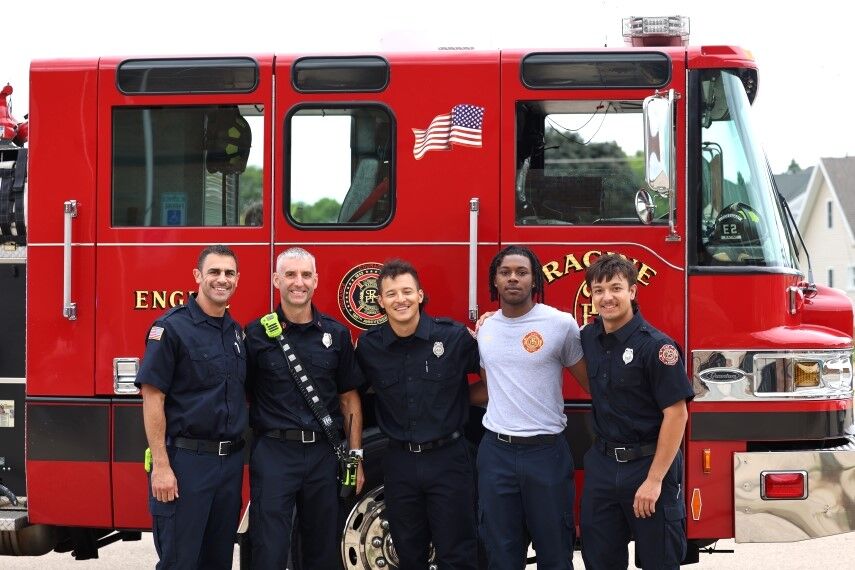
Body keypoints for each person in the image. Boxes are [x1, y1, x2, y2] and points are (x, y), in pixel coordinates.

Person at [355, 259, 480, 570]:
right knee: (408, 554)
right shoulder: (369, 347)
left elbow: (496, 379)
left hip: (449, 460)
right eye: (391, 294)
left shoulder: (453, 337)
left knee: (458, 554)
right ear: (380, 301)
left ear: (420, 295)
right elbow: (349, 395)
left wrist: (458, 399)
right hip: (400, 462)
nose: (401, 299)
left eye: (407, 291)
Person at [244, 247, 364, 570]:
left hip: (323, 454)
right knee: (269, 548)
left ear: (316, 281)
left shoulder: (336, 334)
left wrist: (355, 457)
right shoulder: (255, 334)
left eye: (306, 275)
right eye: (290, 275)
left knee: (322, 550)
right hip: (274, 452)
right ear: (276, 280)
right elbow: (244, 391)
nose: (299, 282)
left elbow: (349, 399)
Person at [579, 253, 693, 569]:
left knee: (660, 561)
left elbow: (677, 414)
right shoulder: (588, 337)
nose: (607, 297)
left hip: (648, 464)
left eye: (615, 288)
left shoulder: (657, 347)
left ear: (632, 291)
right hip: (602, 466)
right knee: (599, 561)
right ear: (591, 295)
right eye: (599, 290)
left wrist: (654, 481)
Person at [476, 245, 587, 570]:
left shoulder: (560, 324)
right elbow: (490, 386)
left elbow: (591, 383)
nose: (513, 278)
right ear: (495, 280)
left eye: (521, 272)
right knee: (501, 555)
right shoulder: (486, 329)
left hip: (546, 453)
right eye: (505, 272)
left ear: (534, 279)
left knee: (555, 554)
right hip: (496, 453)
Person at [136, 244, 247, 570]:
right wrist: (162, 466)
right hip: (187, 463)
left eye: (229, 273)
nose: (222, 279)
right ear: (198, 275)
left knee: (218, 561)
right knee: (180, 561)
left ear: (237, 279)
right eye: (214, 272)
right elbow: (152, 397)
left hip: (228, 466)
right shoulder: (171, 328)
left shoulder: (235, 332)